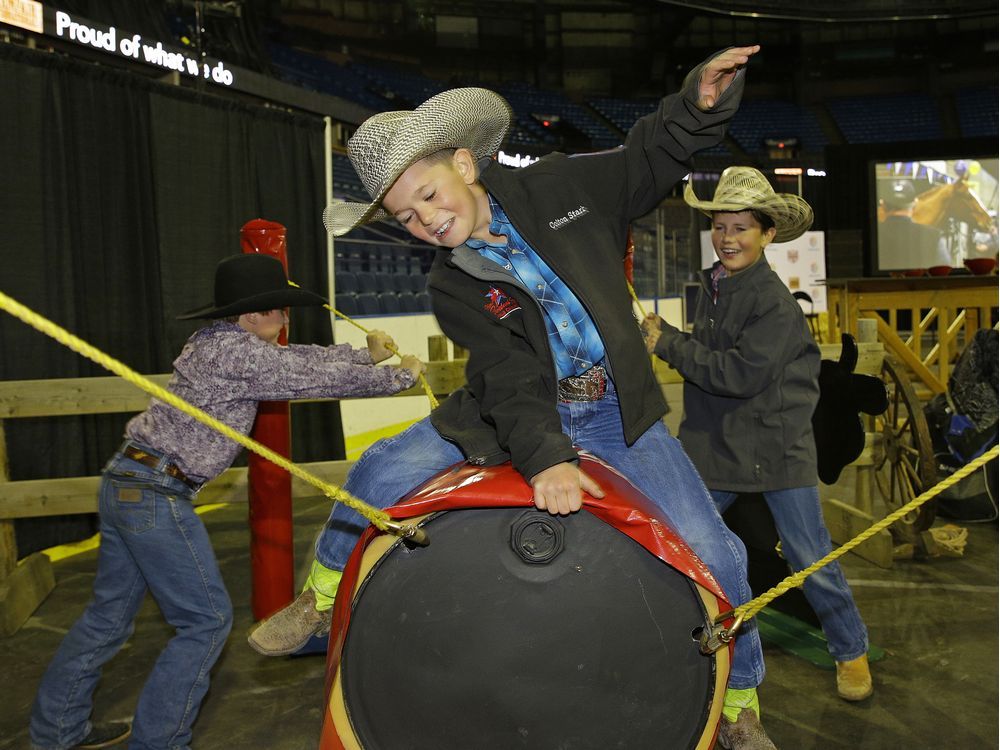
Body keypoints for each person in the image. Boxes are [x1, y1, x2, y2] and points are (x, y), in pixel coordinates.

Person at [250, 46, 779, 748]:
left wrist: (699, 105)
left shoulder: (567, 190)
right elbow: (508, 379)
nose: (426, 220)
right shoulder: (451, 283)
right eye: (407, 217)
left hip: (616, 412)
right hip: (506, 414)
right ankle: (319, 601)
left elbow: (652, 153)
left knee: (720, 550)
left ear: (465, 164)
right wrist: (547, 458)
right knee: (377, 470)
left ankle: (740, 696)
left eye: (430, 195)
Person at [29, 254, 423, 750]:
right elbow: (307, 377)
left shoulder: (221, 344)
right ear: (250, 315)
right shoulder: (234, 354)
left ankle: (55, 733)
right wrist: (398, 376)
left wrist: (363, 355)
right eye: (279, 311)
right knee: (206, 620)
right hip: (153, 490)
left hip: (130, 482)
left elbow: (297, 361)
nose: (284, 320)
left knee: (107, 620)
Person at [641, 166, 874, 702]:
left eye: (741, 228)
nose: (727, 238)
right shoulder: (715, 286)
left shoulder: (770, 301)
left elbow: (738, 375)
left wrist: (668, 342)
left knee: (811, 557)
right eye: (720, 226)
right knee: (680, 543)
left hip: (775, 447)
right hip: (718, 445)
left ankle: (851, 649)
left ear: (768, 235)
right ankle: (662, 638)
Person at [876, 178, 948, 271]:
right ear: (915, 203)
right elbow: (944, 272)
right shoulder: (934, 236)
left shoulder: (871, 235)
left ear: (883, 204)